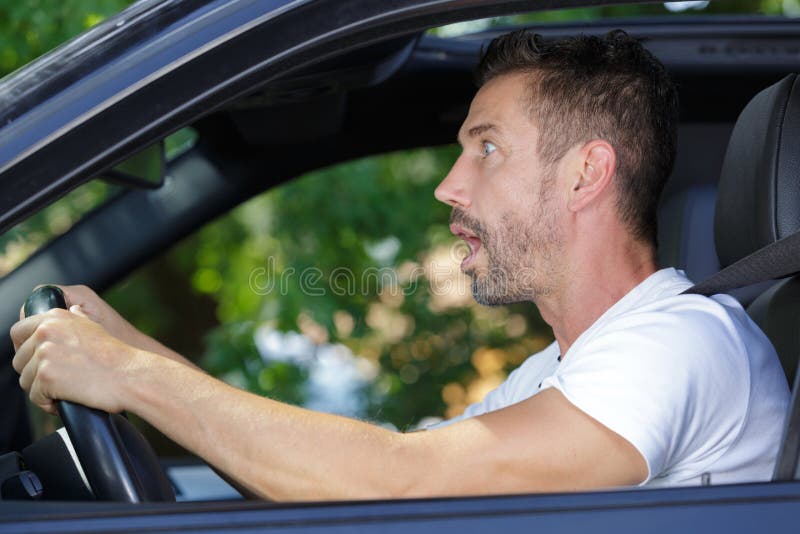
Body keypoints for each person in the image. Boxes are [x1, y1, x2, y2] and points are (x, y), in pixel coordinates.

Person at [9, 30, 790, 499]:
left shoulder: (679, 343)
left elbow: (400, 478)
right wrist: (129, 349)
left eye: (486, 148)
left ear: (585, 174)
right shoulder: (565, 371)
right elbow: (346, 490)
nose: (451, 187)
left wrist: (132, 378)